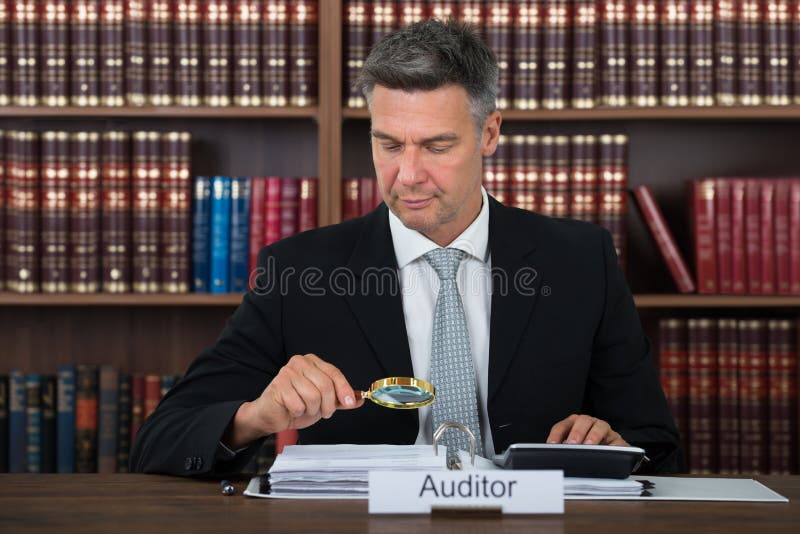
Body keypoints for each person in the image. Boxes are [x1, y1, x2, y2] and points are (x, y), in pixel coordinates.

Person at [131, 19, 680, 476]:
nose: (408, 174)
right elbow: (160, 441)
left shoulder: (582, 259)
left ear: (489, 134)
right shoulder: (297, 270)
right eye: (388, 144)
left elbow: (658, 446)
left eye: (437, 146)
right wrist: (255, 416)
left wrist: (611, 442)